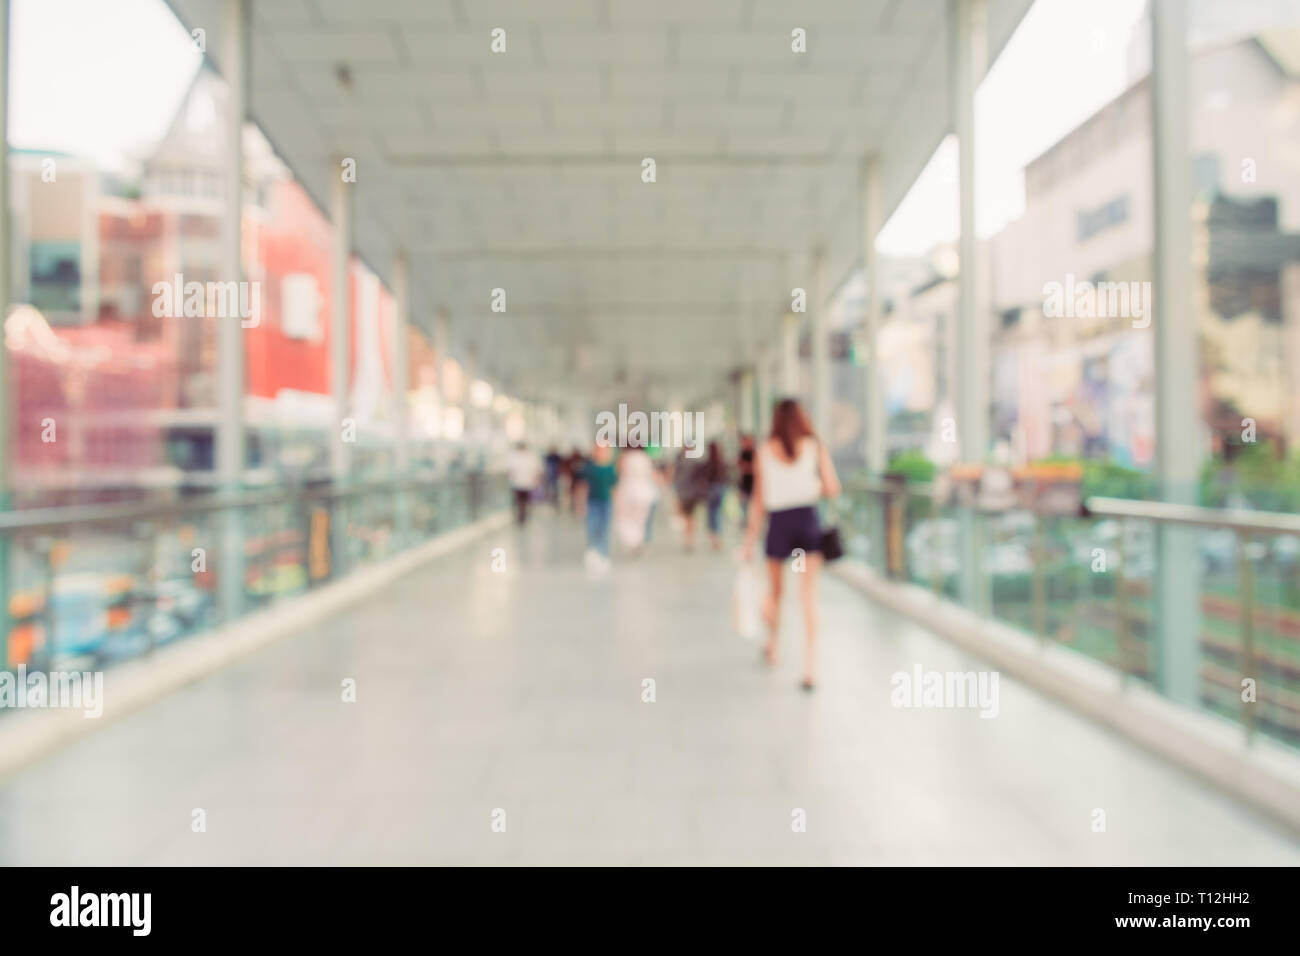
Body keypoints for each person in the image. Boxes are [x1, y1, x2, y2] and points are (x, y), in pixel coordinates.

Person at [741, 399, 841, 691]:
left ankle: (773, 646)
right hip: (807, 522)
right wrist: (809, 487)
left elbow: (759, 500)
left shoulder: (764, 450)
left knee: (776, 592)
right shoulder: (814, 446)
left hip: (779, 525)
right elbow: (833, 487)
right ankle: (809, 667)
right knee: (808, 594)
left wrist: (749, 540)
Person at [614, 441, 658, 556]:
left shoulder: (624, 458)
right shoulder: (645, 457)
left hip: (628, 493)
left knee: (629, 520)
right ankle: (641, 543)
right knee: (641, 520)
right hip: (645, 493)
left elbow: (619, 475)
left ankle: (633, 543)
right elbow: (650, 475)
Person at [581, 443, 618, 571]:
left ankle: (603, 554)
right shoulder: (590, 467)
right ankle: (592, 551)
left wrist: (616, 503)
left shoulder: (611, 467)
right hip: (592, 502)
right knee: (592, 527)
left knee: (604, 529)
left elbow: (614, 486)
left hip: (606, 502)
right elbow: (583, 486)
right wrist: (581, 504)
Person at [672, 447, 712, 551]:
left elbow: (676, 476)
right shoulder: (696, 460)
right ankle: (690, 539)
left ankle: (688, 539)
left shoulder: (681, 459)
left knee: (687, 517)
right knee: (690, 517)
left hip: (686, 492)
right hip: (691, 492)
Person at [507, 442, 543, 525]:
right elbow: (537, 469)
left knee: (519, 499)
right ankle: (523, 514)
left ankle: (521, 514)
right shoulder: (531, 456)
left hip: (518, 483)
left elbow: (511, 470)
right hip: (526, 482)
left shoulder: (515, 456)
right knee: (524, 499)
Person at [703, 441, 729, 551]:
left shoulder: (709, 462)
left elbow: (705, 476)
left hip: (712, 489)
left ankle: (715, 539)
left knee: (712, 514)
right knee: (717, 513)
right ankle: (718, 538)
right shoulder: (721, 461)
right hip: (721, 488)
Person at [736, 433, 756, 525]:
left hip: (753, 484)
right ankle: (746, 520)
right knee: (744, 504)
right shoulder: (742, 453)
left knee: (751, 504)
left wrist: (747, 467)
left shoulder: (754, 453)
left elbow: (754, 468)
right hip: (744, 483)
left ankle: (751, 520)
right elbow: (740, 467)